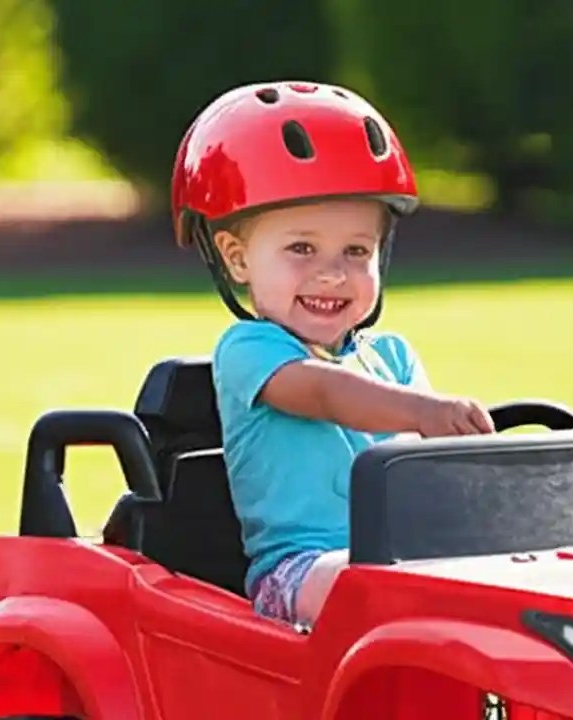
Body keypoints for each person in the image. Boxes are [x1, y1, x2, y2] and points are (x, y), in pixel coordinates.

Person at [171, 81, 495, 627]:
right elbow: (322, 391)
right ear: (237, 259)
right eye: (302, 248)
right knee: (366, 584)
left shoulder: (391, 357)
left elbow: (430, 470)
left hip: (401, 559)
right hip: (297, 574)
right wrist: (423, 412)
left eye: (356, 250)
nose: (332, 272)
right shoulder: (250, 349)